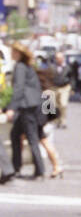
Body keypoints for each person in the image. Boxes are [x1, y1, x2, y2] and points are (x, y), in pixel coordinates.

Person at [3, 43, 46, 180]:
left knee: (32, 138)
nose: (11, 54)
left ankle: (39, 170)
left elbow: (19, 89)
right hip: (30, 105)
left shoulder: (20, 67)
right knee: (15, 135)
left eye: (13, 52)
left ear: (18, 53)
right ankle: (16, 167)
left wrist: (11, 108)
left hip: (26, 107)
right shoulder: (27, 66)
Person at [49, 52, 72, 128]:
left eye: (60, 58)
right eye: (57, 58)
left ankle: (63, 121)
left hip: (64, 87)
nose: (58, 59)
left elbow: (72, 77)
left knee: (63, 104)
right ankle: (57, 120)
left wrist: (72, 87)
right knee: (55, 105)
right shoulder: (52, 67)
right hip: (54, 87)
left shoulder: (68, 67)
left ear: (63, 58)